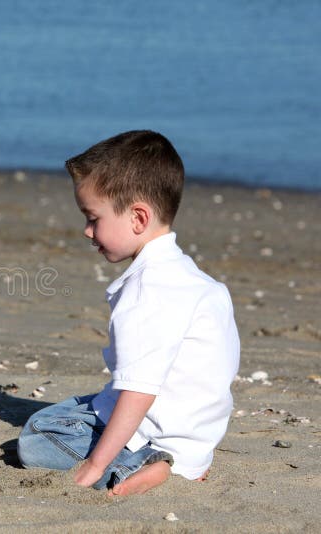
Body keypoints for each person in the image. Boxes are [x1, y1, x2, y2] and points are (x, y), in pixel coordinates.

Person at [17, 130, 240, 496]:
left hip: (156, 438)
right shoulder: (199, 283)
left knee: (38, 434)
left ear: (138, 218)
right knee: (77, 407)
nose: (87, 231)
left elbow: (139, 390)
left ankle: (135, 468)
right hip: (196, 440)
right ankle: (163, 461)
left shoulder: (145, 291)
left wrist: (94, 465)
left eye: (93, 218)